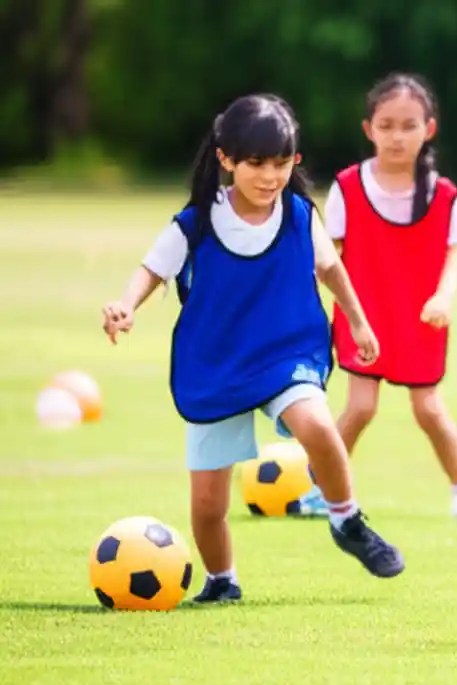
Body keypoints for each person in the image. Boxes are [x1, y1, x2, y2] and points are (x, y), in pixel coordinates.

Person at [100, 94, 405, 603]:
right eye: (256, 164)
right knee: (207, 506)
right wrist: (126, 304)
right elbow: (152, 269)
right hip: (216, 365)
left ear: (296, 161)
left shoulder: (299, 215)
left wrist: (359, 321)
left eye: (282, 163)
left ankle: (346, 518)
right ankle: (223, 581)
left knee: (318, 425)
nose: (270, 176)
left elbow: (330, 268)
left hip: (285, 353)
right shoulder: (196, 222)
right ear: (225, 160)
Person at [324, 73, 457, 522]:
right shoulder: (347, 187)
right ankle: (323, 490)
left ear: (429, 129)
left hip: (420, 318)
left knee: (429, 409)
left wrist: (443, 298)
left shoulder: (444, 195)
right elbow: (329, 257)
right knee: (360, 407)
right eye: (386, 125)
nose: (397, 136)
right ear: (368, 129)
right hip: (364, 316)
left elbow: (454, 259)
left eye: (409, 125)